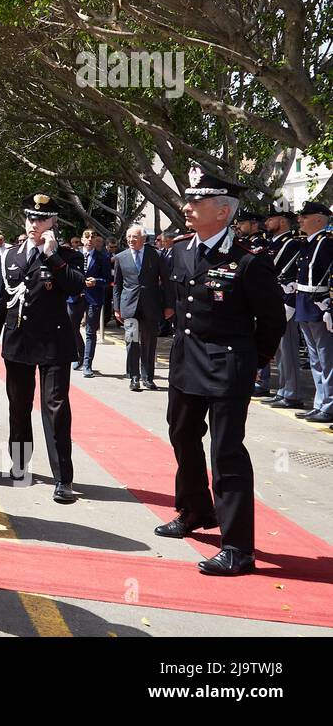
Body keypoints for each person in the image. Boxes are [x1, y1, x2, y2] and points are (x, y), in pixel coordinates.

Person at [156, 167, 284, 576]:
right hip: (186, 362)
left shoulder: (249, 262)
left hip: (228, 365)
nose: (187, 207)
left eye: (196, 202)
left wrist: (251, 362)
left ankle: (237, 547)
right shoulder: (179, 250)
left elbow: (272, 322)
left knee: (227, 453)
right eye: (188, 201)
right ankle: (194, 510)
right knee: (182, 437)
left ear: (224, 211)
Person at [0, 193, 85, 503]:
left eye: (42, 219)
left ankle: (63, 478)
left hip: (53, 342)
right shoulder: (10, 255)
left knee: (56, 409)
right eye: (30, 218)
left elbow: (76, 286)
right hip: (19, 341)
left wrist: (52, 256)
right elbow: (1, 301)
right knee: (18, 406)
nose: (34, 224)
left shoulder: (67, 255)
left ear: (53, 223)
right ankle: (20, 466)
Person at [112, 225, 174, 392]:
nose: (131, 240)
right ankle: (134, 376)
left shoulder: (156, 255)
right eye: (129, 237)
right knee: (132, 341)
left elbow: (166, 283)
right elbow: (117, 285)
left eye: (135, 237)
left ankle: (147, 377)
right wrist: (116, 307)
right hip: (129, 306)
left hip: (151, 305)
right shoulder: (121, 257)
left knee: (149, 342)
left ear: (144, 239)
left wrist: (169, 305)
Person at [260, 207, 306, 410]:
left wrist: (289, 303)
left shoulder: (293, 244)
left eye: (271, 219)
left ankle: (292, 392)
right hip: (273, 300)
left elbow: (293, 276)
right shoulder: (272, 244)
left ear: (283, 221)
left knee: (288, 350)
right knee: (278, 350)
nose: (267, 223)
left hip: (285, 301)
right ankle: (283, 389)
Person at [293, 201, 333, 425]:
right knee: (315, 357)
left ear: (319, 218)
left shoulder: (326, 243)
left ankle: (329, 404)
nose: (301, 219)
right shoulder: (308, 243)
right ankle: (321, 403)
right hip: (304, 301)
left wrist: (328, 304)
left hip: (318, 303)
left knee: (327, 358)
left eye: (305, 216)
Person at [70, 229, 111, 378]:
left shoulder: (102, 257)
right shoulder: (74, 256)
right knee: (72, 328)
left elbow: (107, 280)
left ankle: (88, 364)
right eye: (86, 237)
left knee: (90, 332)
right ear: (82, 239)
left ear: (95, 241)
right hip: (75, 297)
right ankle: (80, 355)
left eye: (92, 237)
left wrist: (97, 281)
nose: (89, 239)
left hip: (93, 297)